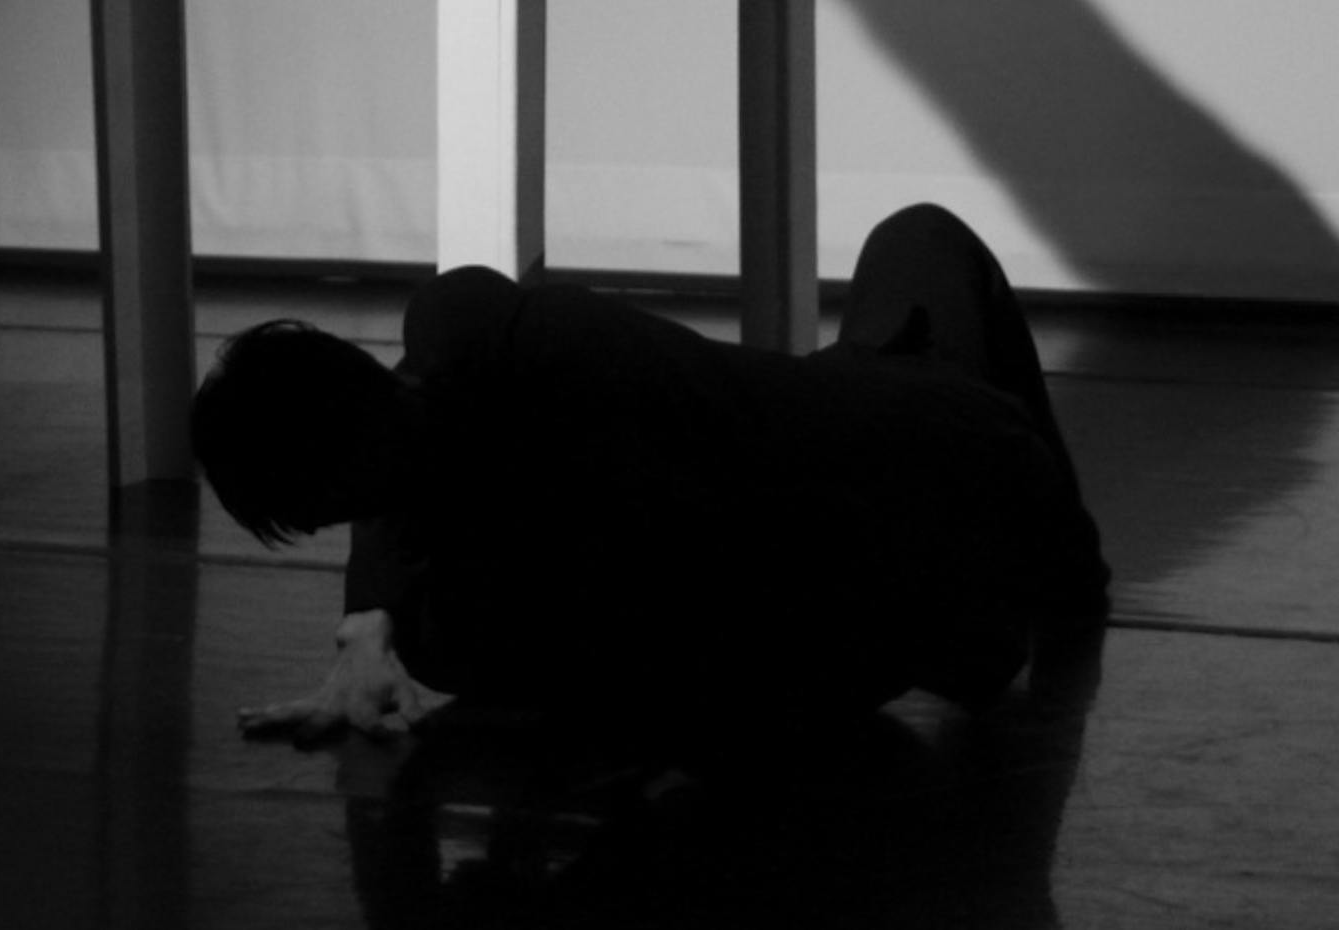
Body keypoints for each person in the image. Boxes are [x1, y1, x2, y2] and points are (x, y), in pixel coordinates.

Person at [196, 204, 1106, 742]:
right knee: (920, 236)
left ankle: (1059, 571)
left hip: (921, 544)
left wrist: (368, 623)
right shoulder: (499, 355)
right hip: (939, 479)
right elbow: (425, 377)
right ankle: (1070, 572)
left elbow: (408, 444)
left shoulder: (469, 606)